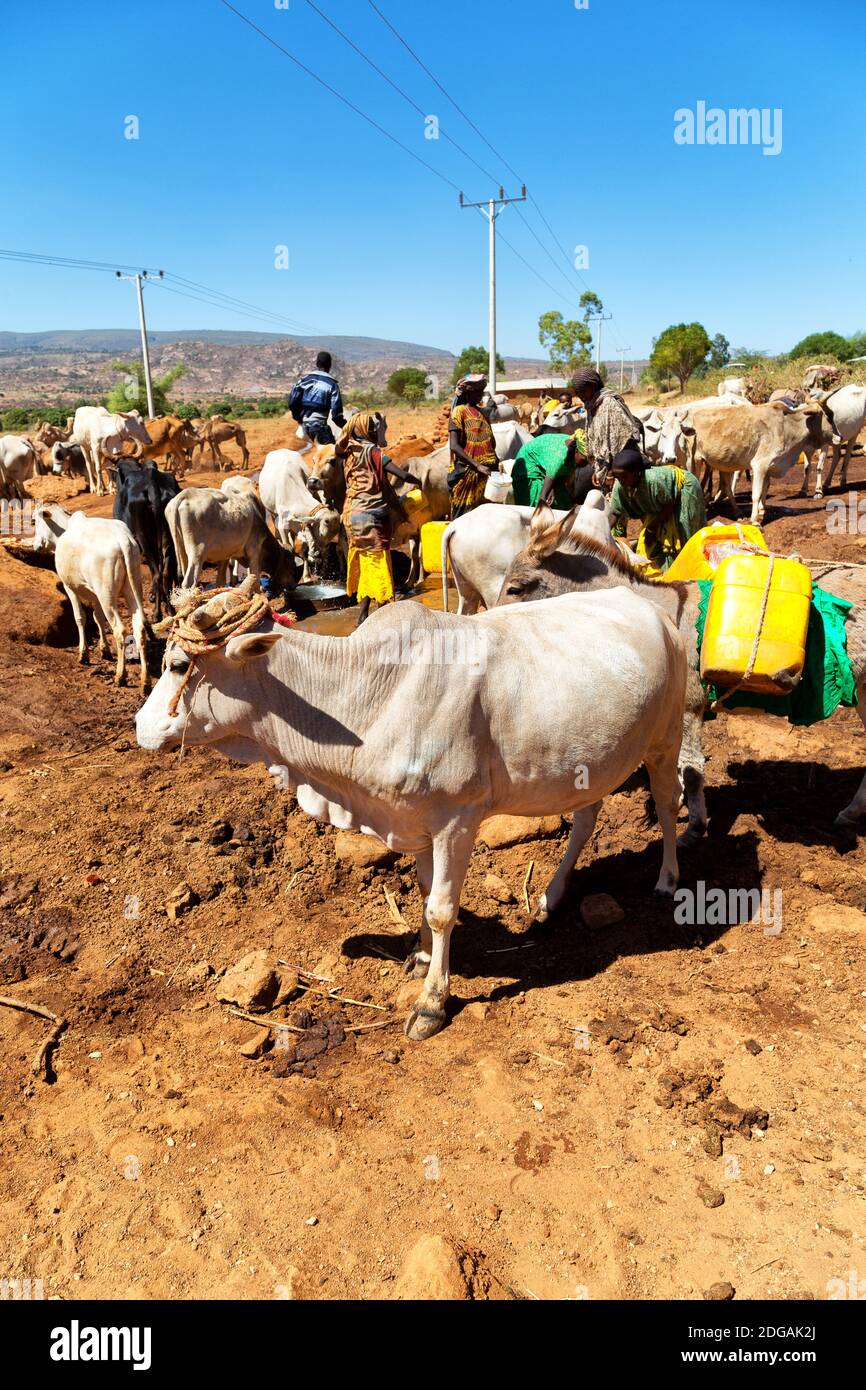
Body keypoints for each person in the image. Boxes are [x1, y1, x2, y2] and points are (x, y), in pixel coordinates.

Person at [335, 412, 420, 627]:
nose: (379, 431)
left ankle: (362, 615)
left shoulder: (349, 452)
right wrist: (416, 480)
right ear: (368, 430)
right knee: (380, 563)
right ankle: (382, 618)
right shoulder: (372, 451)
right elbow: (399, 474)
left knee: (367, 563)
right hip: (371, 514)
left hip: (351, 514)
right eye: (376, 428)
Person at [608, 443, 707, 577]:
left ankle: (689, 567)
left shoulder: (653, 480)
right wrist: (602, 531)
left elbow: (668, 505)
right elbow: (615, 511)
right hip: (665, 499)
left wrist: (651, 529)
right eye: (617, 477)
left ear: (637, 473)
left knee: (683, 531)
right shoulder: (621, 484)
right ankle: (667, 566)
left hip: (683, 489)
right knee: (655, 539)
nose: (620, 481)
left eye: (624, 477)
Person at [570, 366, 644, 483]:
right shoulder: (591, 406)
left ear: (593, 386)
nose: (581, 396)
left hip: (622, 472)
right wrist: (597, 470)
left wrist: (612, 471)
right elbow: (596, 442)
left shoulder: (609, 402)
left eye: (583, 391)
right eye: (577, 393)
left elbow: (625, 440)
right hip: (604, 470)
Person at [448, 374, 498, 517]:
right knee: (464, 517)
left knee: (486, 516)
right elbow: (454, 446)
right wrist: (477, 465)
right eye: (477, 392)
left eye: (481, 391)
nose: (481, 395)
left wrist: (496, 463)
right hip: (468, 472)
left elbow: (491, 443)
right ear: (468, 393)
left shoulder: (483, 414)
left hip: (487, 474)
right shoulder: (459, 412)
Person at [511, 429, 593, 509]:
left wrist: (553, 487)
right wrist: (542, 508)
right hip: (528, 467)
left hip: (546, 465)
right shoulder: (559, 458)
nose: (586, 464)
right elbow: (542, 497)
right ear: (576, 451)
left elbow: (560, 475)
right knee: (545, 503)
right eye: (584, 460)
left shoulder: (573, 445)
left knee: (563, 500)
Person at [288, 351, 346, 444]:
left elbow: (292, 402)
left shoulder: (303, 380)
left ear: (317, 364)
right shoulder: (332, 385)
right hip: (319, 427)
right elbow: (336, 415)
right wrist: (348, 427)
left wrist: (299, 419)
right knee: (334, 454)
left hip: (304, 427)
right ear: (330, 366)